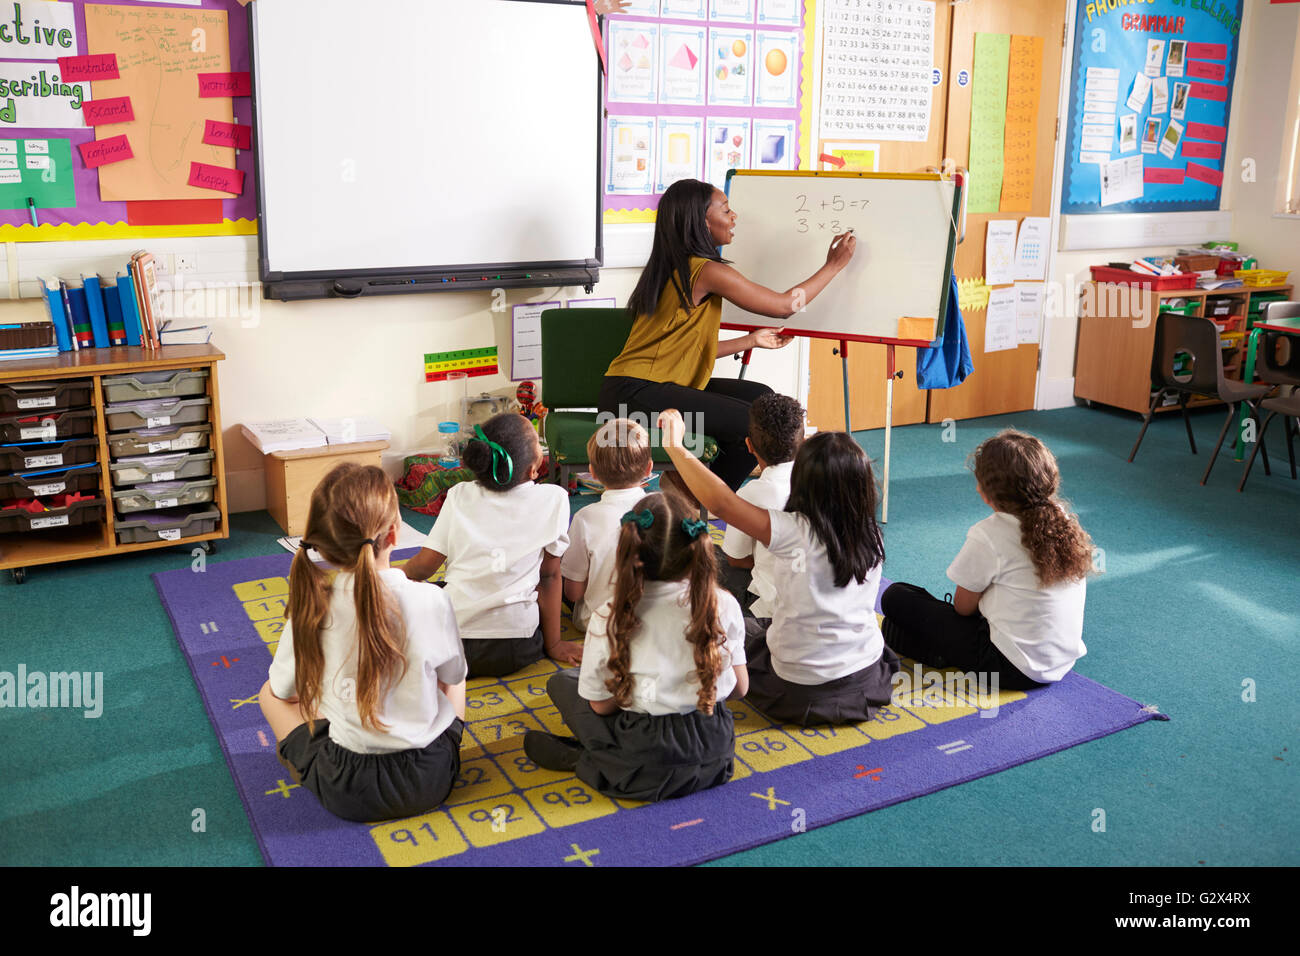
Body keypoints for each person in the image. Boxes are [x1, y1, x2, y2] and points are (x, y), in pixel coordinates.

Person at [599, 178, 857, 491]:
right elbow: (785, 306)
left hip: (632, 392)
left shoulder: (672, 266)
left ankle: (685, 489)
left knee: (764, 399)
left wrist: (750, 340)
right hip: (633, 401)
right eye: (726, 211)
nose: (734, 217)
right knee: (755, 425)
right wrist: (833, 265)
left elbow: (684, 350)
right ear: (701, 222)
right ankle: (699, 496)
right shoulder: (706, 271)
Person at [657, 409, 897, 725]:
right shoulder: (869, 530)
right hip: (865, 677)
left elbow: (721, 504)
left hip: (798, 689)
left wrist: (675, 445)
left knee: (729, 630)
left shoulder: (791, 529)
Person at [258, 463, 467, 823]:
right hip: (431, 777)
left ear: (321, 540)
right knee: (457, 677)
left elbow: (286, 691)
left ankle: (304, 755)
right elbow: (450, 677)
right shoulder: (431, 598)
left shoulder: (312, 606)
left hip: (348, 789)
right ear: (394, 533)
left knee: (268, 692)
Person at [524, 491, 749, 802]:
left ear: (628, 551)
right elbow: (739, 689)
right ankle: (603, 759)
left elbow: (602, 706)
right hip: (714, 751)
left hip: (645, 753)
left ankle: (593, 760)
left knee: (561, 683)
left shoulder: (609, 614)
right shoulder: (722, 603)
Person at [880, 430, 1093, 689]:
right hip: (1060, 663)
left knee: (895, 596)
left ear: (985, 492)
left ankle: (935, 649)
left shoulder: (990, 533)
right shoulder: (1063, 520)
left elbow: (963, 608)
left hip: (1006, 666)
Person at [403, 412, 582, 675]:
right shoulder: (554, 498)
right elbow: (549, 576)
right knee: (561, 584)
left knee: (431, 591)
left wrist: (383, 580)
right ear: (533, 470)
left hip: (451, 646)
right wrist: (554, 644)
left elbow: (423, 568)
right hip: (519, 649)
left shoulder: (458, 495)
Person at [562, 418, 654, 632]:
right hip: (655, 621)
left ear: (592, 472)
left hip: (599, 624)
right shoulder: (664, 509)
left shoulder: (584, 517)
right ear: (649, 469)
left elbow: (573, 593)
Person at [719, 393, 803, 615]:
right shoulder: (820, 479)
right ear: (802, 442)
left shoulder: (752, 493)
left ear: (749, 446)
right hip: (812, 600)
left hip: (768, 607)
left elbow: (736, 559)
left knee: (710, 558)